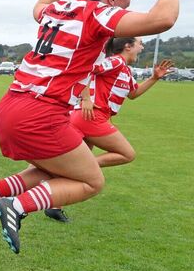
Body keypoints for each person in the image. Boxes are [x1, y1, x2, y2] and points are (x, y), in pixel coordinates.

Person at [0, 0, 179, 254]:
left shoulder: (58, 10)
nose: (129, 6)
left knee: (60, 172)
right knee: (92, 182)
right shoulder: (98, 14)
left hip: (12, 105)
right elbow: (163, 18)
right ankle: (16, 205)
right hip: (41, 113)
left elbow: (39, 4)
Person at [45, 39, 174, 222]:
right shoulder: (115, 61)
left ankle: (53, 205)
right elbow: (85, 70)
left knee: (68, 163)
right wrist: (86, 99)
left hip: (88, 117)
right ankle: (81, 169)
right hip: (91, 117)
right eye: (140, 43)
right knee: (127, 154)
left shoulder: (126, 70)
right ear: (127, 46)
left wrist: (154, 78)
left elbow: (133, 94)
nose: (142, 47)